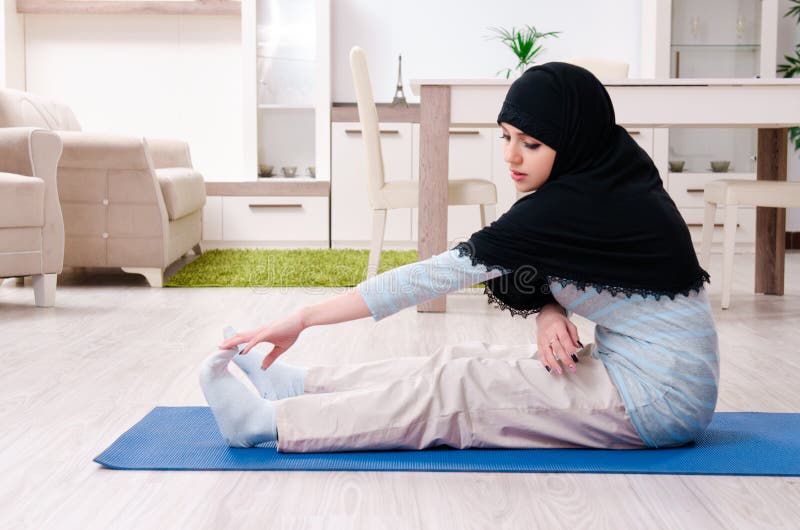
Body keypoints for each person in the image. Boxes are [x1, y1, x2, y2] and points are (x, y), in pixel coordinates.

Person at [200, 62, 719, 453]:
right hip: (631, 369)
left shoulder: (573, 204)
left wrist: (302, 317)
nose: (512, 156)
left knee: (457, 390)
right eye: (507, 137)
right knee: (459, 359)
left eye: (531, 143)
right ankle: (298, 385)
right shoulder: (609, 170)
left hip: (657, 399)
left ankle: (267, 425)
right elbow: (574, 269)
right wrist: (549, 310)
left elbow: (430, 278)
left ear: (571, 139)